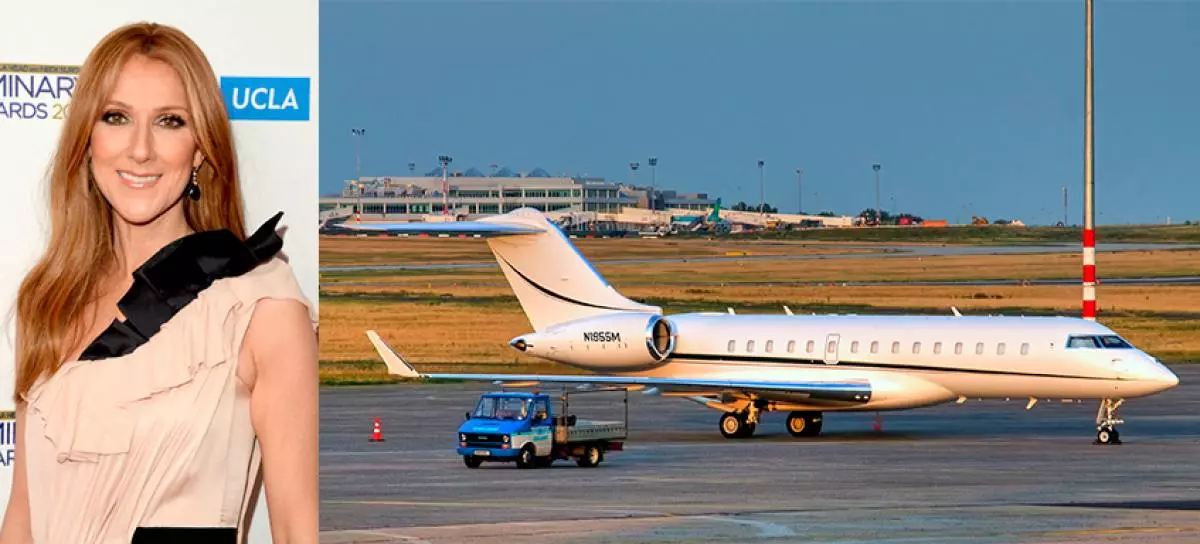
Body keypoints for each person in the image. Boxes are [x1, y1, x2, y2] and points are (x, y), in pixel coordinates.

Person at [0, 22, 318, 544]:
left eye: (170, 121)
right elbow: (23, 521)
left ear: (200, 149)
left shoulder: (261, 306)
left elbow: (294, 529)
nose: (140, 150)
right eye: (116, 117)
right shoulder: (49, 300)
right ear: (87, 139)